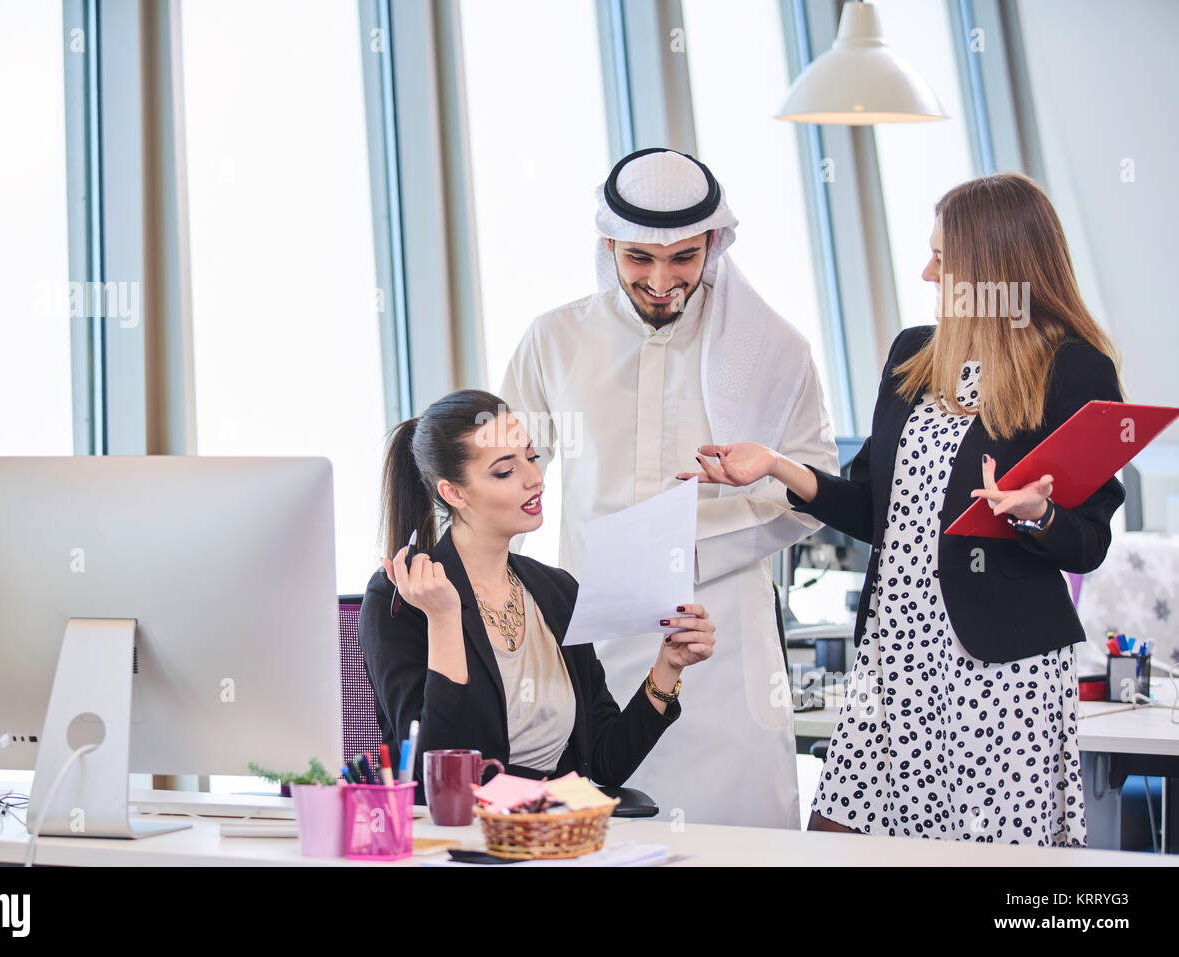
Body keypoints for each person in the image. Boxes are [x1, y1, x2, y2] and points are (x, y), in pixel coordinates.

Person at [679, 172, 1125, 845]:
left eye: (942, 259)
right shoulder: (914, 357)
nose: (925, 272)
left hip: (1000, 674)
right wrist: (775, 465)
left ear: (991, 265)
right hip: (895, 660)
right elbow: (872, 508)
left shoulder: (1074, 371)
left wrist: (1037, 515)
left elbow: (1088, 541)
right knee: (842, 839)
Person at [500, 147, 838, 827]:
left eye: (683, 258)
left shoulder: (773, 349)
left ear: (712, 245)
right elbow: (502, 479)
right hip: (590, 643)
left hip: (722, 645)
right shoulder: (555, 340)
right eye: (638, 259)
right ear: (609, 246)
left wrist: (685, 541)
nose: (661, 280)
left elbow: (811, 493)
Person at [356, 389, 716, 805]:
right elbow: (439, 780)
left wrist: (668, 667)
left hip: (558, 832)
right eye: (505, 471)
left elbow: (605, 762)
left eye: (531, 457)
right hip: (468, 839)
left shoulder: (557, 591)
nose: (534, 478)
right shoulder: (402, 599)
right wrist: (444, 619)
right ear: (454, 493)